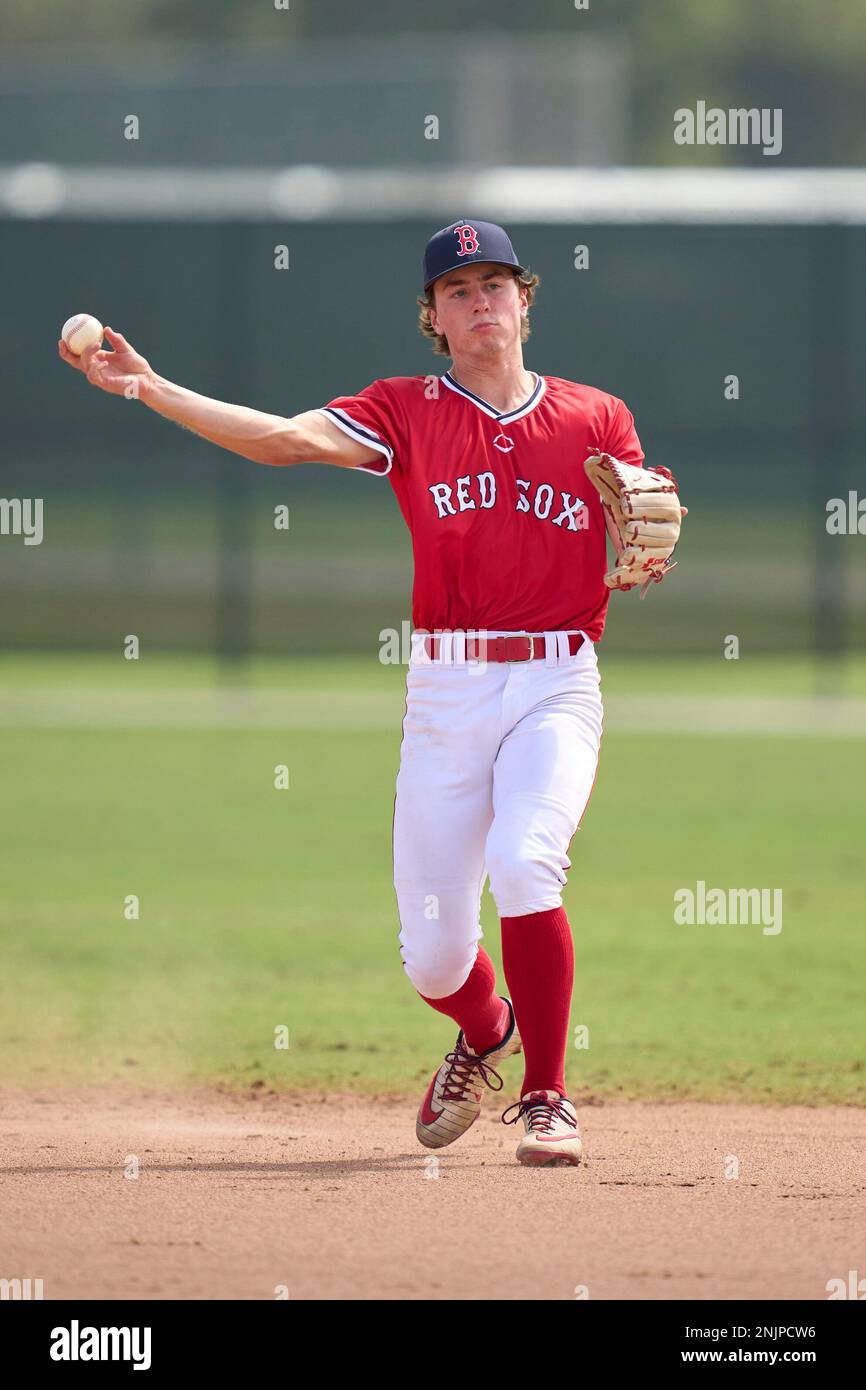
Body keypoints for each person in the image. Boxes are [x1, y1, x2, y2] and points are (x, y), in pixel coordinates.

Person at [59, 219, 678, 1168]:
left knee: (525, 862)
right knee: (433, 958)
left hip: (558, 679)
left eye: (496, 284)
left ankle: (550, 1097)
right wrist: (150, 387)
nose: (481, 302)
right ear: (433, 316)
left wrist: (653, 530)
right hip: (447, 690)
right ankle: (486, 1030)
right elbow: (282, 439)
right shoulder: (405, 409)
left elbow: (647, 510)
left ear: (526, 300)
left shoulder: (597, 417)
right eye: (459, 290)